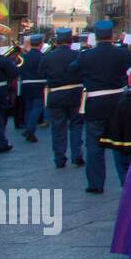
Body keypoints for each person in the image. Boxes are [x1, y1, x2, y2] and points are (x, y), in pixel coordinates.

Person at [68, 20, 131, 194]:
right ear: (112, 35)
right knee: (119, 142)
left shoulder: (86, 55)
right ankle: (126, 181)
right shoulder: (121, 53)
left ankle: (95, 184)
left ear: (96, 37)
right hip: (118, 102)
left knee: (94, 145)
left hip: (94, 103)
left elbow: (72, 71)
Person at [42, 28, 84, 168]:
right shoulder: (77, 55)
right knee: (76, 125)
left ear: (57, 41)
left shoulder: (48, 56)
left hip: (56, 95)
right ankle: (77, 155)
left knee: (58, 128)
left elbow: (41, 74)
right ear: (71, 41)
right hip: (75, 94)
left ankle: (59, 158)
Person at [16, 33, 47, 143]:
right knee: (37, 108)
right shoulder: (43, 56)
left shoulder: (23, 57)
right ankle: (29, 129)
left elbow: (18, 70)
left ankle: (29, 130)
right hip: (39, 84)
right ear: (41, 44)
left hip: (25, 84)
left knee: (28, 108)